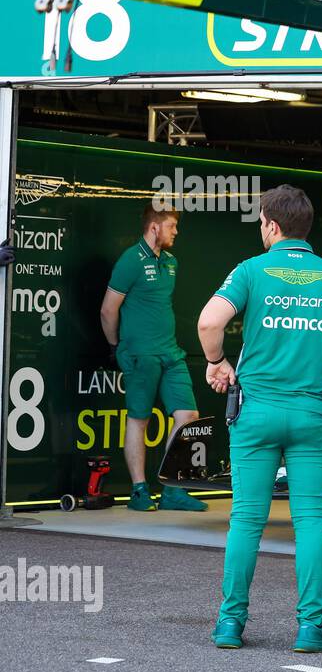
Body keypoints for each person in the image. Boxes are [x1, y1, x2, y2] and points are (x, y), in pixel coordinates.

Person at [200, 185, 322, 653]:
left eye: (260, 222)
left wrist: (218, 362)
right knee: (311, 521)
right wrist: (315, 344)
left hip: (257, 411)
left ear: (272, 225)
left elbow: (209, 323)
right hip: (312, 414)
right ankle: (312, 626)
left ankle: (230, 623)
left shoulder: (250, 271)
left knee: (246, 519)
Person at [99, 202, 207, 512]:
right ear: (154, 227)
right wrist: (115, 346)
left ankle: (172, 489)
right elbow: (108, 309)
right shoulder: (130, 260)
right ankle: (138, 490)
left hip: (171, 354)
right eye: (172, 226)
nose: (177, 231)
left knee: (188, 417)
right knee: (139, 419)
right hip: (139, 355)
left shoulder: (171, 262)